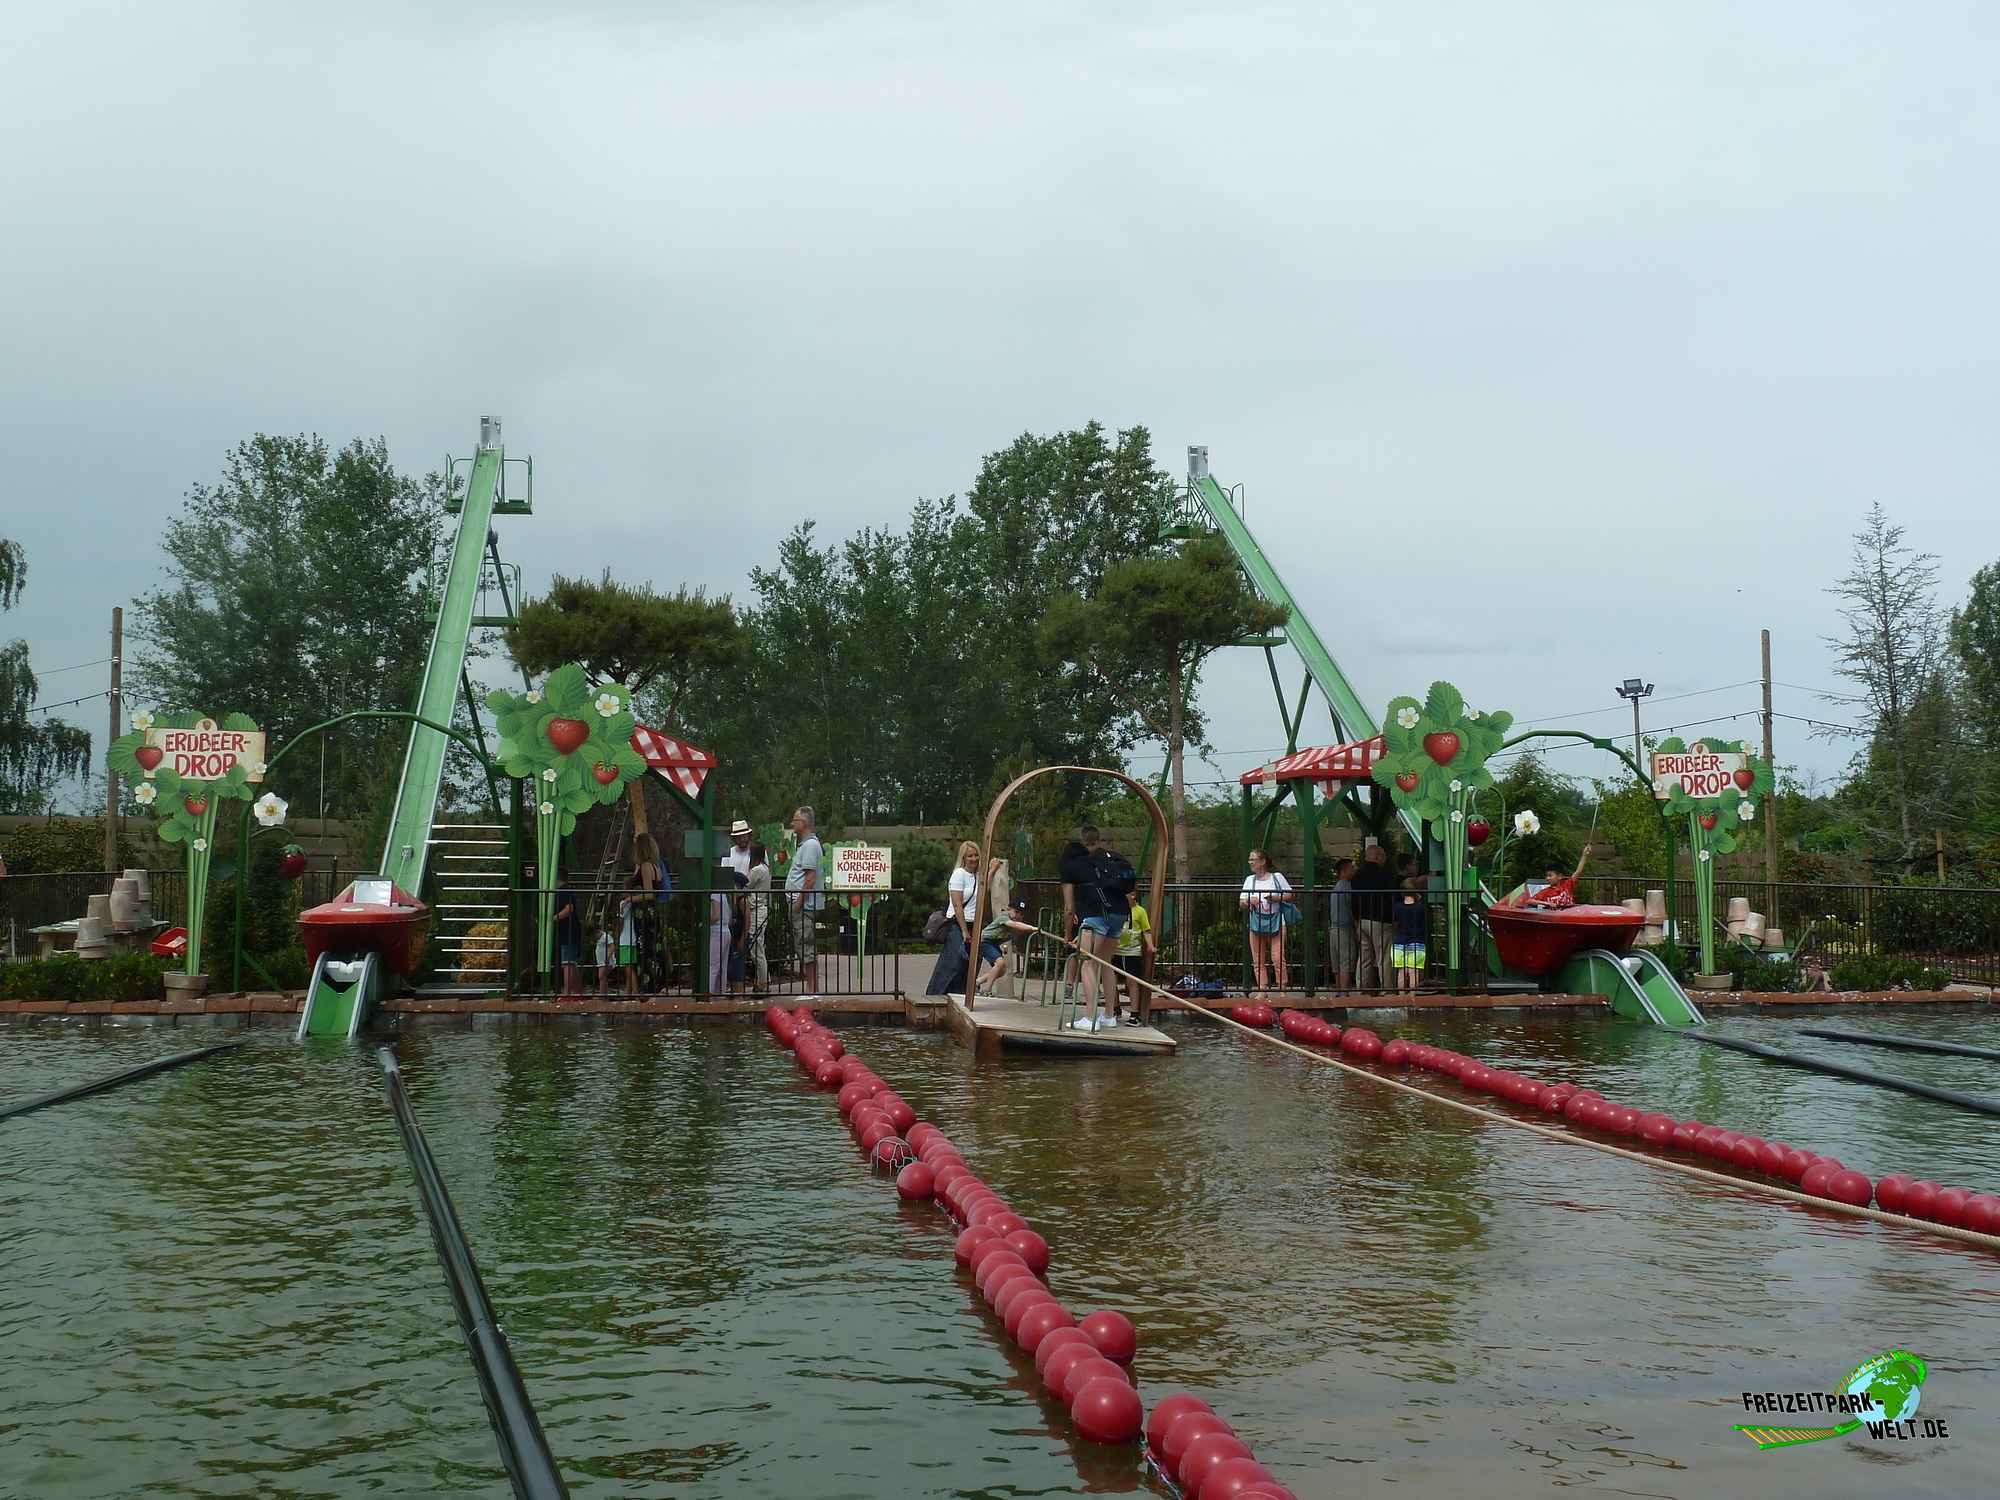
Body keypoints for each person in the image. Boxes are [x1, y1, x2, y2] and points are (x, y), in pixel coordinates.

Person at [1060, 831, 1123, 1031]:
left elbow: (1069, 909)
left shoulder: (1070, 868)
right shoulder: (1103, 862)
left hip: (1095, 915)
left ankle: (1090, 1018)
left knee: (1087, 964)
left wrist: (1067, 935)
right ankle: (1109, 1016)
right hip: (1120, 913)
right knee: (1105, 962)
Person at [1239, 849, 1293, 994]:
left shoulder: (1277, 877)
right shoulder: (1249, 880)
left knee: (1277, 957)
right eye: (1250, 859)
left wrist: (1275, 898)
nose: (1250, 862)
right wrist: (1248, 901)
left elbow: (1289, 894)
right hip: (1256, 923)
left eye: (1253, 859)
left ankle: (1282, 989)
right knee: (1257, 960)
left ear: (1263, 861)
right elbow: (1241, 902)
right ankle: (1262, 990)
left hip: (1276, 921)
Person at [1351, 842, 1397, 994]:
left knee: (1364, 957)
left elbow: (1353, 901)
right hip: (1381, 920)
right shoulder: (1385, 874)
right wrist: (1395, 917)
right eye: (1383, 855)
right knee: (1384, 956)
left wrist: (1356, 921)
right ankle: (1387, 989)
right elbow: (1391, 898)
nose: (1385, 858)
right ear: (1378, 857)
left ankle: (1362, 988)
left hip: (1362, 920)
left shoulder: (1357, 875)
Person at [786, 806, 823, 992]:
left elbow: (810, 877)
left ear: (805, 822)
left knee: (806, 946)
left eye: (795, 820)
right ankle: (812, 989)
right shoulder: (806, 845)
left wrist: (799, 902)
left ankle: (812, 990)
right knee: (803, 945)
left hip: (803, 905)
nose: (792, 823)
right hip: (801, 904)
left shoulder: (810, 846)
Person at [632, 832, 670, 994]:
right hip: (652, 911)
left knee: (646, 949)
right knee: (654, 947)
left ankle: (649, 985)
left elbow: (649, 894)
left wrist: (631, 899)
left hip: (645, 912)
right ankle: (657, 982)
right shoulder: (656, 866)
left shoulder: (646, 867)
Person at [1115, 893, 1155, 1020]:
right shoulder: (1117, 908)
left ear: (1133, 895)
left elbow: (1146, 931)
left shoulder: (1140, 911)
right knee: (1110, 980)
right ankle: (1115, 1008)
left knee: (1131, 981)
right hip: (1115, 951)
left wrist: (1150, 945)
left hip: (1132, 952)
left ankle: (1134, 1014)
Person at [743, 843, 772, 994]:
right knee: (758, 947)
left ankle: (762, 982)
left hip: (756, 910)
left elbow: (745, 885)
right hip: (760, 909)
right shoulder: (765, 869)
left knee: (756, 949)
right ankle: (763, 979)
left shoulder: (757, 870)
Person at [1393, 875, 1428, 992]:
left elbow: (1395, 924)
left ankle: (1401, 995)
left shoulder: (1397, 907)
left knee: (1401, 971)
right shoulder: (1421, 907)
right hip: (1417, 941)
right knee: (1414, 971)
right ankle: (1412, 996)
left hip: (1400, 941)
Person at [1328, 856, 1357, 993]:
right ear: (1344, 871)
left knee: (1337, 962)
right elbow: (1351, 907)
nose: (1354, 870)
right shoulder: (1347, 886)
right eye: (1352, 868)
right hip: (1345, 928)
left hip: (1334, 927)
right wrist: (1356, 926)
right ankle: (1344, 991)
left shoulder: (1337, 887)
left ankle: (1339, 990)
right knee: (1346, 960)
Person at [553, 875, 582, 995]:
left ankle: (567, 993)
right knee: (571, 963)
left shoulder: (563, 891)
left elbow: (569, 908)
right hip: (570, 930)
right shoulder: (566, 890)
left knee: (567, 963)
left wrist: (554, 918)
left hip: (568, 931)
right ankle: (578, 992)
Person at [707, 875, 733, 997]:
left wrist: (704, 921)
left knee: (713, 965)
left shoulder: (714, 894)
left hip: (717, 931)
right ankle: (720, 993)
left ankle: (709, 992)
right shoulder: (723, 894)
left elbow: (716, 915)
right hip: (726, 930)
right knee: (722, 966)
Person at [594, 919, 617, 996]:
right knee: (602, 977)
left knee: (601, 976)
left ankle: (602, 995)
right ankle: (604, 994)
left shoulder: (606, 936)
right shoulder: (599, 938)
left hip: (607, 961)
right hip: (601, 962)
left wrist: (608, 957)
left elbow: (612, 947)